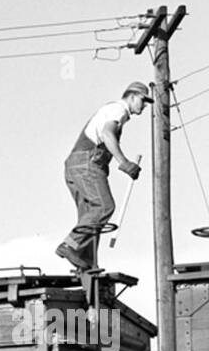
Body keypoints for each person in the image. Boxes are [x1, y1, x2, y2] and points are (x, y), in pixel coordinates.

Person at [56, 81, 152, 271]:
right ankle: (70, 245)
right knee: (104, 206)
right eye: (143, 100)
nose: (144, 105)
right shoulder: (118, 110)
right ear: (132, 96)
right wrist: (124, 163)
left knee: (90, 218)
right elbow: (108, 134)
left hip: (75, 166)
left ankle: (87, 264)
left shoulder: (113, 111)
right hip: (87, 163)